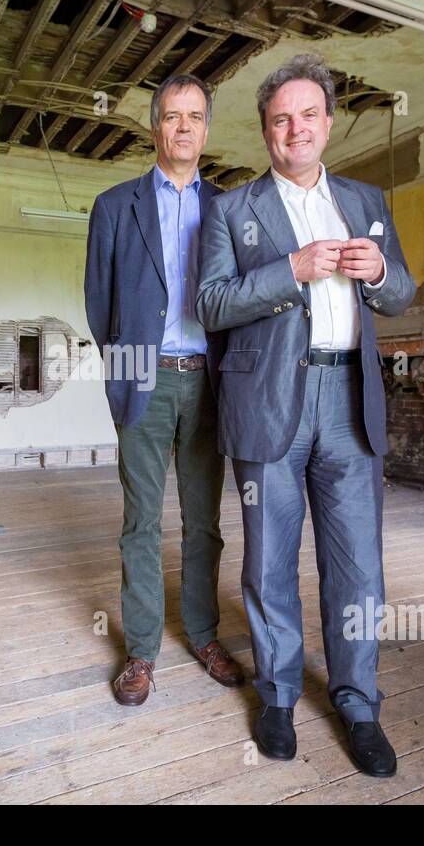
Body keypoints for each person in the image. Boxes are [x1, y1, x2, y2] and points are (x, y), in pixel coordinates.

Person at [196, 54, 417, 775]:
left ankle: (358, 704)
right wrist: (288, 270)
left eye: (309, 114)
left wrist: (379, 272)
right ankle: (279, 695)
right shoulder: (231, 209)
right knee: (268, 563)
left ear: (328, 122)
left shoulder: (367, 200)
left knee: (359, 569)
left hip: (349, 401)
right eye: (281, 118)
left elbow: (402, 292)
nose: (297, 128)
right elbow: (212, 303)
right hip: (267, 406)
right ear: (266, 130)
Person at [84, 72, 245, 706]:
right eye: (172, 116)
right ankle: (142, 651)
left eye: (195, 116)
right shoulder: (114, 206)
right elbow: (101, 307)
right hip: (142, 382)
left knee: (204, 522)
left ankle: (204, 634)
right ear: (156, 127)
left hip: (207, 382)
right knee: (141, 522)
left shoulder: (231, 208)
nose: (184, 127)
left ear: (207, 128)